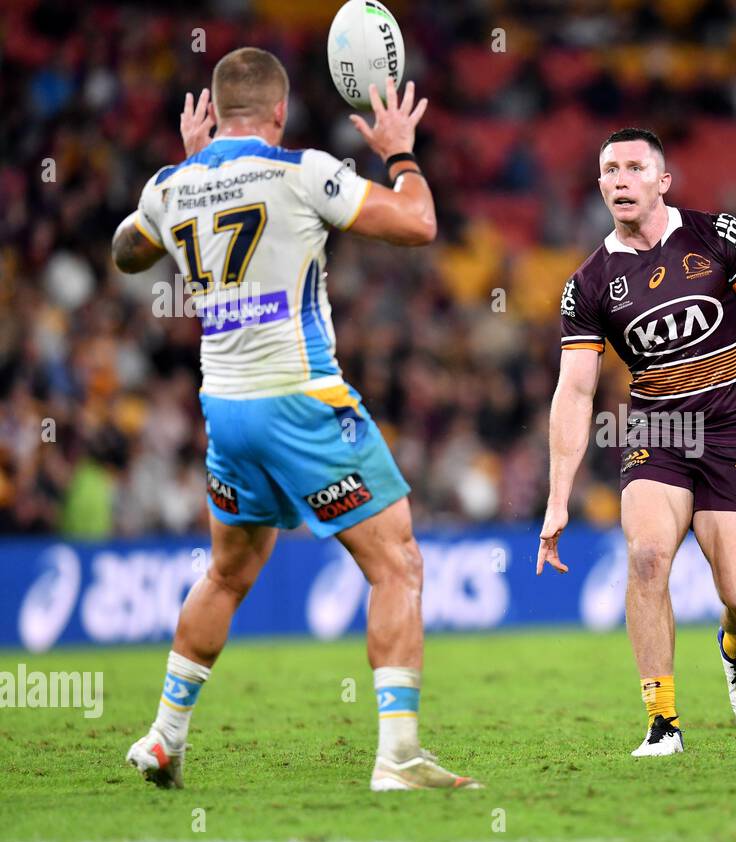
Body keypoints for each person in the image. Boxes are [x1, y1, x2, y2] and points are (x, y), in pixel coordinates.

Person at [111, 47, 479, 791]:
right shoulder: (300, 170)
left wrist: (187, 173)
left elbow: (125, 252)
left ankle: (163, 736)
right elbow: (419, 223)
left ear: (213, 113)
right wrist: (399, 152)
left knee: (227, 571)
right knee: (398, 563)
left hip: (225, 410)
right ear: (278, 112)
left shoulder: (168, 185)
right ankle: (398, 757)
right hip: (301, 401)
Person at [537, 129, 736, 756]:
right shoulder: (587, 284)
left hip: (732, 434)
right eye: (608, 169)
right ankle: (662, 722)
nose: (620, 179)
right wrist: (558, 498)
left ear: (662, 181)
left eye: (635, 167)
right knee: (645, 559)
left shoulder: (717, 236)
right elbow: (575, 393)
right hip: (656, 435)